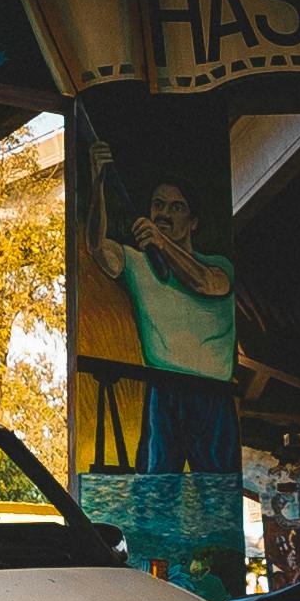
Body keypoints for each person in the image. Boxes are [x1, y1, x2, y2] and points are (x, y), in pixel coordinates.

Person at [87, 167, 238, 477]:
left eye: (176, 207)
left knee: (218, 491)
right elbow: (97, 246)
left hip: (210, 397)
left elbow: (205, 284)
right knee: (156, 486)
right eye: (158, 205)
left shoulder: (218, 266)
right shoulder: (137, 262)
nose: (164, 214)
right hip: (162, 392)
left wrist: (161, 244)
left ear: (193, 222)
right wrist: (98, 183)